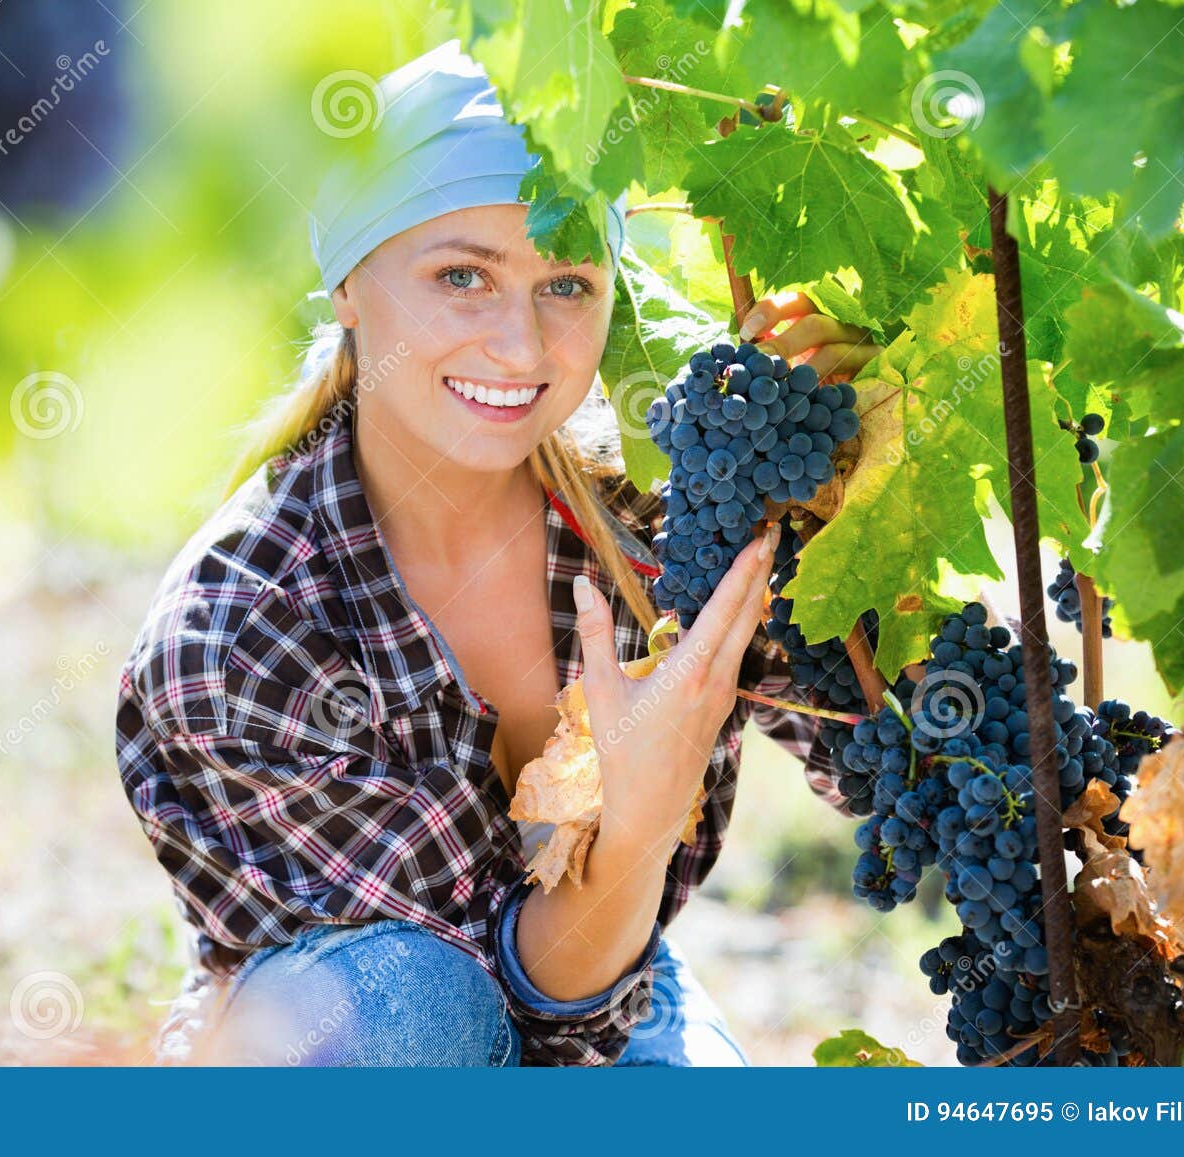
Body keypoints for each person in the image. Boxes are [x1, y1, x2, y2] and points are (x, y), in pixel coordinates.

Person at [113, 39, 883, 1067]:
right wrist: (637, 831)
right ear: (348, 284)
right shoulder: (237, 628)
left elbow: (897, 762)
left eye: (565, 284)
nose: (521, 349)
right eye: (462, 275)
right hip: (357, 1043)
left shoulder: (657, 525)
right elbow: (491, 1007)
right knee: (419, 1010)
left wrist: (861, 489)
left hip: (612, 986)